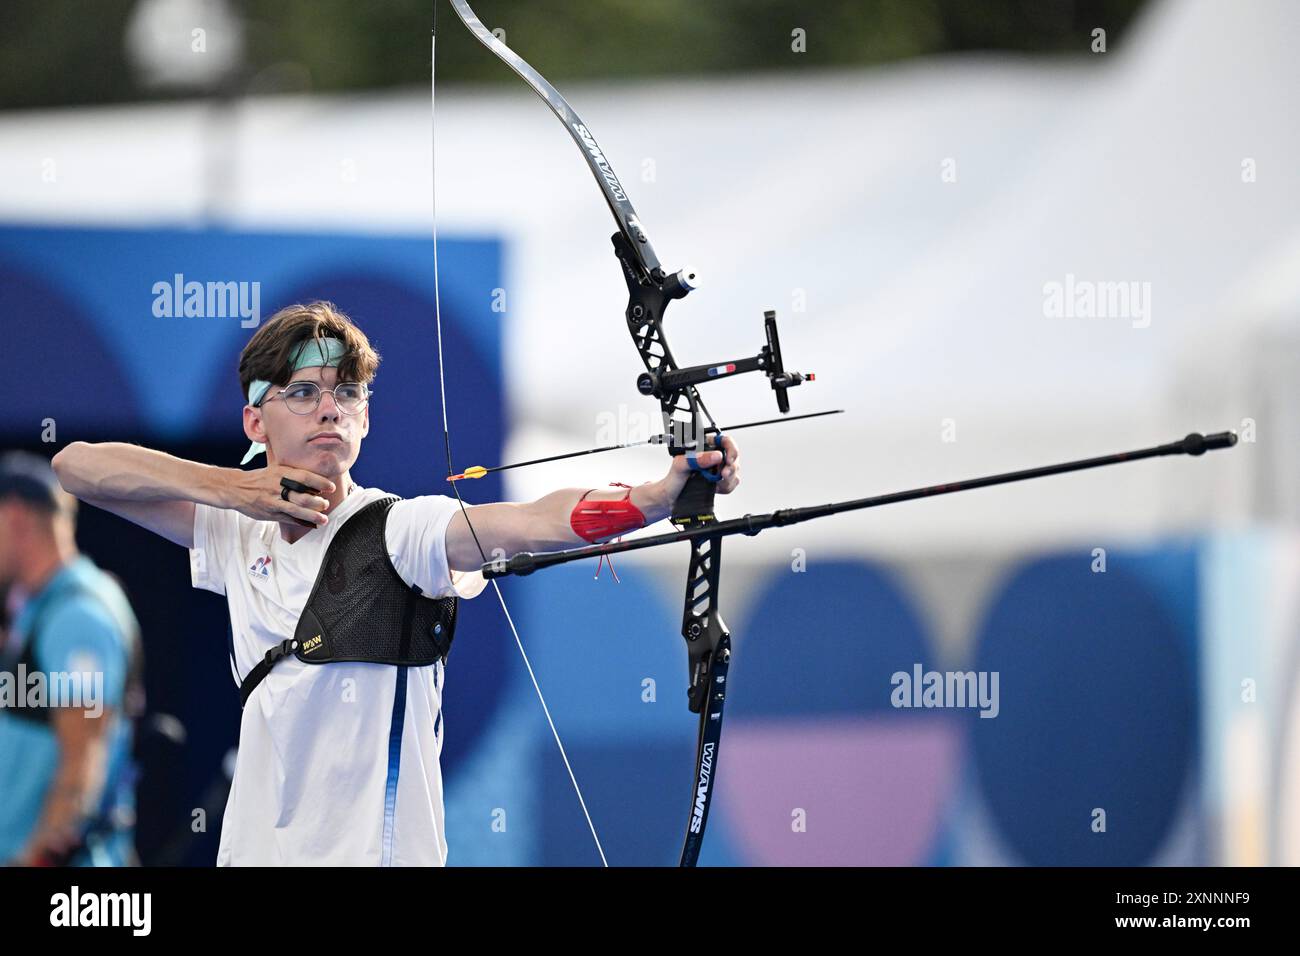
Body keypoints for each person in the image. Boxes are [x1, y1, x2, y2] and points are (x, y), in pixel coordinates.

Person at [51, 300, 740, 866]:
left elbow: (526, 522)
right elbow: (78, 468)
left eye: (347, 393)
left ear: (367, 416)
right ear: (255, 421)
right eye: (303, 392)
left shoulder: (401, 531)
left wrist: (653, 497)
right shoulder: (236, 532)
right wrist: (239, 489)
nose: (330, 408)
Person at [0, 450, 141, 866]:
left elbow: (83, 762)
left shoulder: (78, 615)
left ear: (15, 518)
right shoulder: (39, 608)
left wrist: (36, 858)